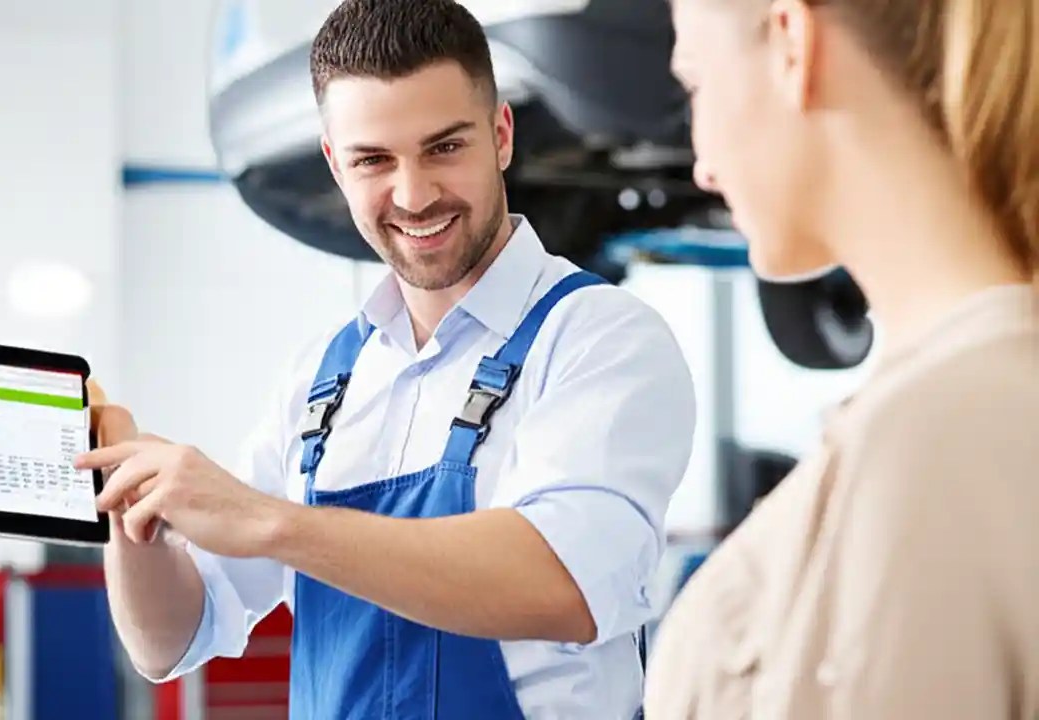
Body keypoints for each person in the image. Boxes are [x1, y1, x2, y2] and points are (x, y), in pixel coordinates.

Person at [76, 0, 696, 717]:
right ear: (336, 165)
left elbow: (565, 584)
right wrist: (130, 515)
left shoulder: (598, 338)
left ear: (500, 135)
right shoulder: (321, 381)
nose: (414, 194)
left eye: (444, 148)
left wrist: (273, 522)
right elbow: (171, 641)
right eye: (375, 160)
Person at [647, 0, 1038, 717]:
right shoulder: (950, 417)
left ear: (792, 44)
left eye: (695, 84)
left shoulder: (936, 443)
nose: (700, 164)